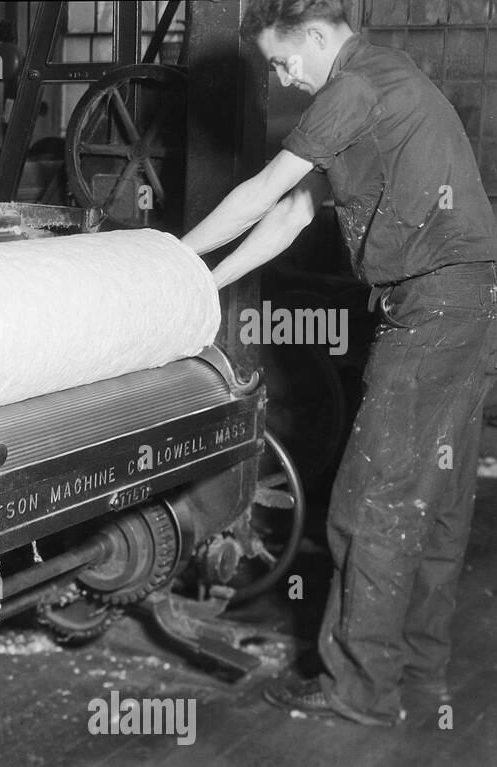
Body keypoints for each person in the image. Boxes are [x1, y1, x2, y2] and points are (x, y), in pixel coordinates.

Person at [180, 0, 497, 726]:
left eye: (285, 60)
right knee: (436, 500)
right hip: (471, 301)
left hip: (433, 308)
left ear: (319, 37)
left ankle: (359, 689)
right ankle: (419, 670)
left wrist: (168, 256)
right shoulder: (390, 79)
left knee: (369, 501)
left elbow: (260, 192)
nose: (285, 79)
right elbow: (292, 214)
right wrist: (204, 281)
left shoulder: (350, 88)